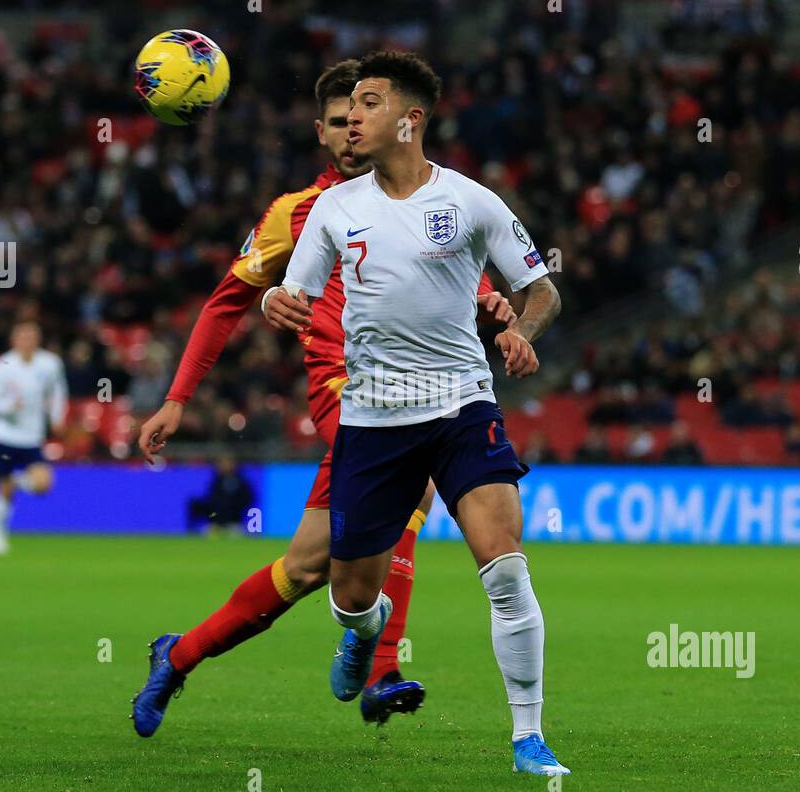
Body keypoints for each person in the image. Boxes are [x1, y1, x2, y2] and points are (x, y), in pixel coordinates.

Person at [130, 60, 515, 736]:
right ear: (320, 132)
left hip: (415, 381)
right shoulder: (298, 213)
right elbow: (225, 305)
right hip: (347, 388)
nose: (350, 132)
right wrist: (178, 399)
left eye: (360, 116)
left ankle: (178, 655)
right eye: (338, 122)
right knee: (417, 480)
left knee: (307, 566)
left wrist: (490, 300)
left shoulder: (427, 202)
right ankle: (382, 667)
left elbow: (445, 278)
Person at [267, 51, 569, 776]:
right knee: (350, 596)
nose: (351, 120)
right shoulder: (335, 208)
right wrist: (278, 301)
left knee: (505, 569)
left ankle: (528, 737)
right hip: (373, 421)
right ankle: (363, 634)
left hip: (462, 405)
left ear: (410, 120)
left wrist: (519, 334)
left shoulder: (470, 201)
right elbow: (297, 297)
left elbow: (542, 290)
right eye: (347, 109)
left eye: (367, 104)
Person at [0, 320, 68, 555]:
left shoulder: (50, 364)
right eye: (23, 336)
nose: (28, 341)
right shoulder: (2, 365)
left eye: (32, 336)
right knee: (4, 492)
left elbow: (58, 391)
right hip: (6, 436)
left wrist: (57, 416)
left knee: (43, 485)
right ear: (14, 340)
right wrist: (9, 407)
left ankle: (14, 481)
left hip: (32, 437)